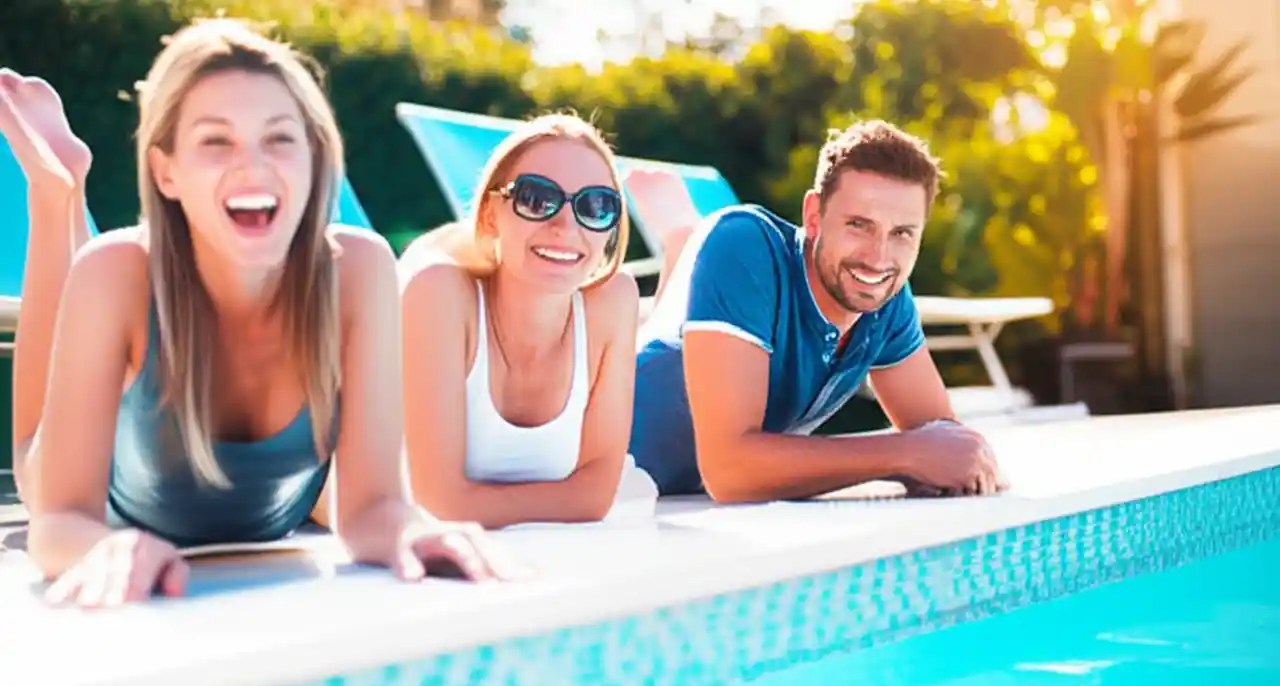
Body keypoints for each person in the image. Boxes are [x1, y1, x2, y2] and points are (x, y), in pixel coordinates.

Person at [1, 19, 519, 608]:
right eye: (216, 142)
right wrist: (100, 546)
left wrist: (409, 530)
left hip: (278, 507)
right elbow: (59, 521)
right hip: (117, 497)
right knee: (34, 464)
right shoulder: (116, 270)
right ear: (167, 172)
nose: (252, 165)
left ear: (315, 158)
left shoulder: (359, 270)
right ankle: (55, 192)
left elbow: (372, 508)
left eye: (279, 139)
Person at [625, 119, 1005, 502]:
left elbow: (945, 447)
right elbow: (729, 471)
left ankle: (678, 242)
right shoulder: (745, 246)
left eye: (902, 233)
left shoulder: (884, 298)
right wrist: (905, 454)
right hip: (602, 476)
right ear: (813, 215)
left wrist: (942, 459)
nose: (878, 257)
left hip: (676, 495)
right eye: (859, 225)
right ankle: (680, 239)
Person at [398, 113, 647, 529]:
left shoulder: (612, 299)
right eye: (535, 199)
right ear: (490, 214)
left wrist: (469, 501)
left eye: (596, 205)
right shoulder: (441, 292)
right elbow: (438, 504)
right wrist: (564, 498)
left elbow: (595, 497)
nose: (566, 226)